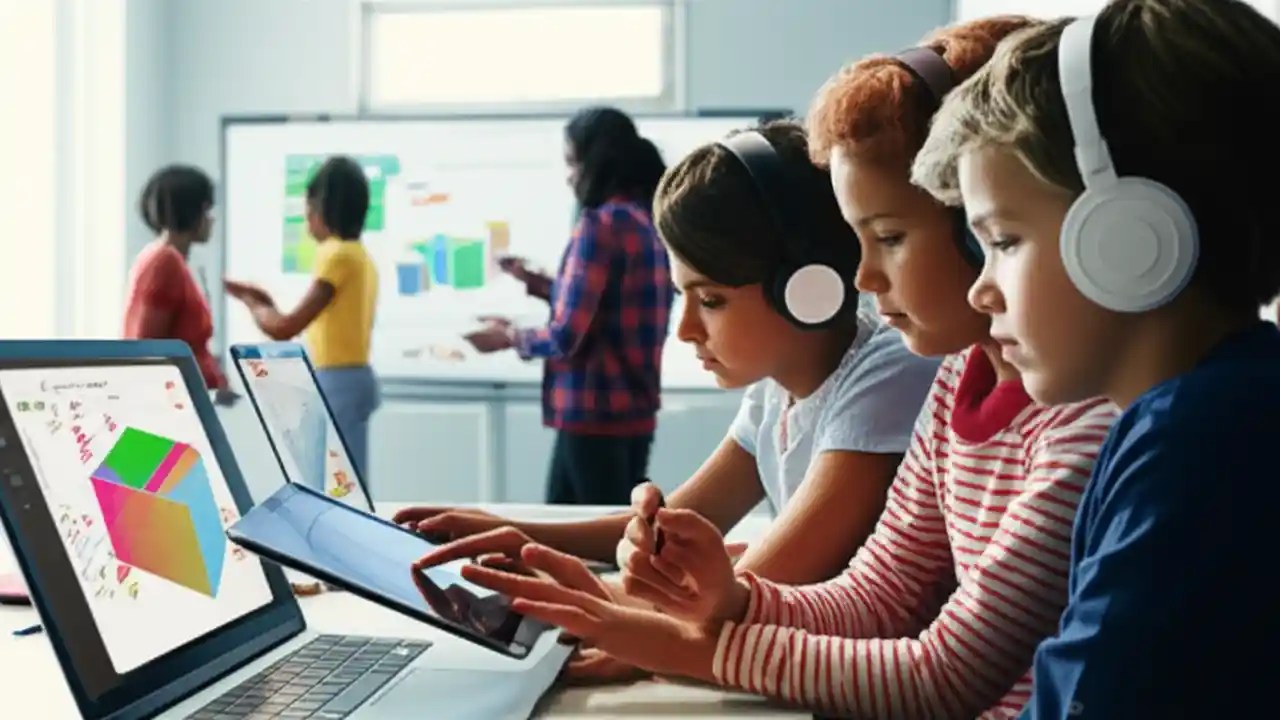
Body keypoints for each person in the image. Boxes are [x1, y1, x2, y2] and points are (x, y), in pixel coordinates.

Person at [442, 17, 1122, 719]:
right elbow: (876, 596)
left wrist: (660, 635)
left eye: (890, 237)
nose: (862, 278)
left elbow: (941, 676)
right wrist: (725, 600)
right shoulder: (955, 379)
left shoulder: (1066, 413)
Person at [396, 122, 939, 659]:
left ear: (806, 287)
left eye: (711, 300)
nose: (685, 330)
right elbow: (675, 524)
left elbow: (734, 599)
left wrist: (569, 600)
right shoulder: (778, 390)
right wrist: (514, 533)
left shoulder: (887, 377)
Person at [910, 1, 1280, 716]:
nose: (980, 288)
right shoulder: (1197, 416)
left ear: (1129, 235)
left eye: (1005, 241)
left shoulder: (1195, 441)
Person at [462, 106, 672, 505]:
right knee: (614, 532)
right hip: (633, 411)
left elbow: (566, 335)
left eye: (572, 162)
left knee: (583, 540)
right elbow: (605, 307)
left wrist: (507, 337)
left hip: (593, 412)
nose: (570, 176)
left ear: (595, 162)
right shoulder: (646, 221)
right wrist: (537, 283)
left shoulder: (601, 226)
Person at [225, 156, 380, 480]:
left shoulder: (336, 255)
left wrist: (254, 306)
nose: (307, 221)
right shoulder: (357, 255)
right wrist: (260, 300)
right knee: (343, 477)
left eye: (308, 210)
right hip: (350, 378)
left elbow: (285, 326)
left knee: (337, 482)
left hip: (337, 381)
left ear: (323, 209)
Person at [124, 165, 234, 403]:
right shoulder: (165, 261)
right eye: (207, 209)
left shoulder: (167, 259)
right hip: (175, 404)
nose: (212, 219)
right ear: (194, 211)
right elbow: (147, 347)